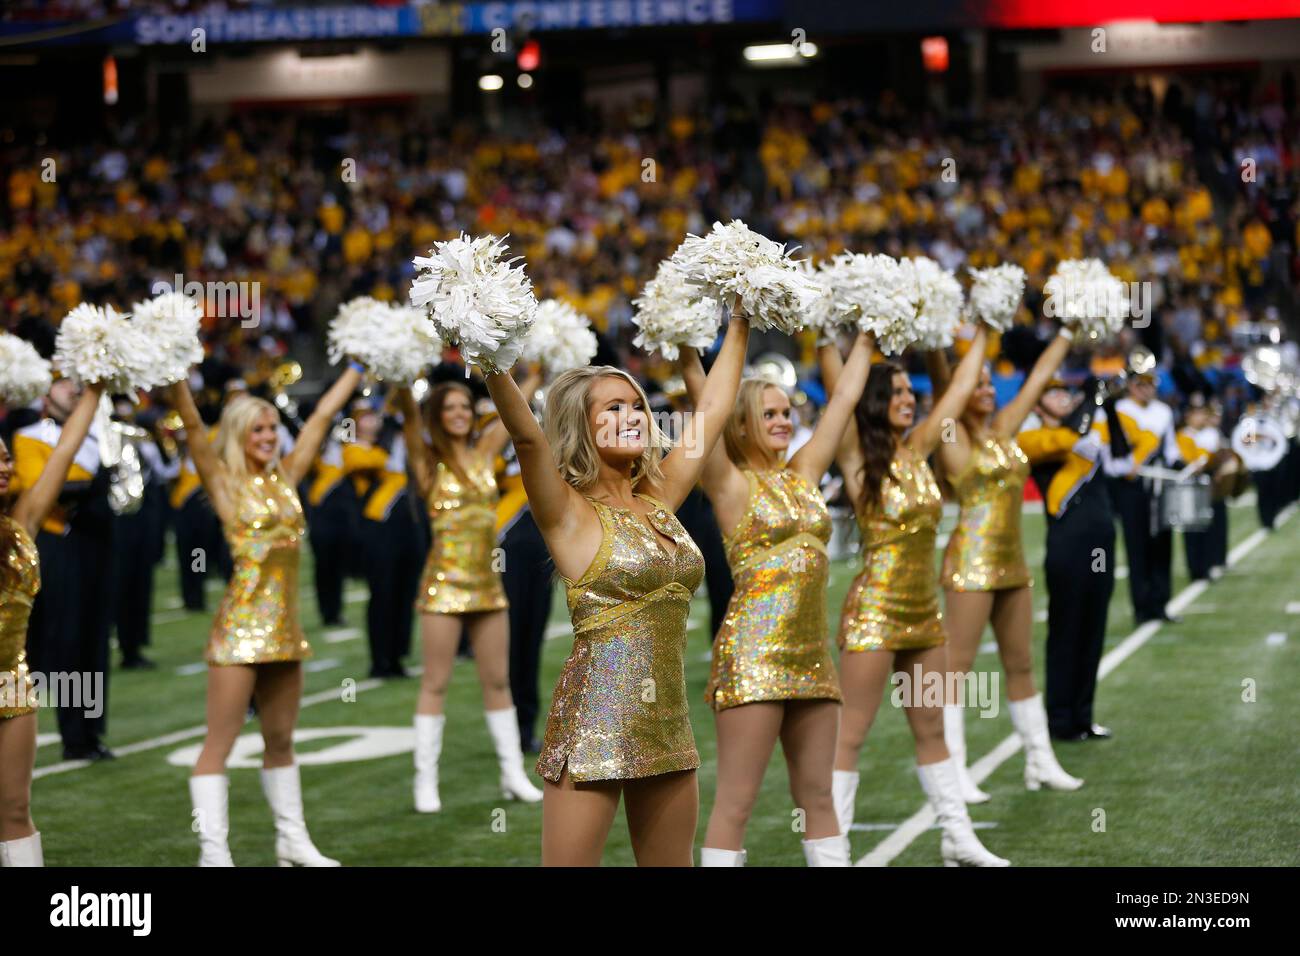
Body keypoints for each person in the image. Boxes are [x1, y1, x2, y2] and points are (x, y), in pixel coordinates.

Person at [483, 308, 749, 866]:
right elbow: (529, 441)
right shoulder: (569, 515)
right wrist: (487, 356)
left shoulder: (660, 499)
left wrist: (741, 318)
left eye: (637, 407)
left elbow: (715, 409)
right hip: (594, 724)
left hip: (668, 720)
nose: (633, 416)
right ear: (582, 426)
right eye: (613, 409)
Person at [684, 330, 875, 867]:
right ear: (742, 423)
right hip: (753, 657)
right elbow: (706, 407)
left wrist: (866, 335)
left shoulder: (805, 474)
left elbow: (844, 401)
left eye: (787, 412)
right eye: (769, 414)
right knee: (737, 802)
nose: (784, 421)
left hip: (812, 654)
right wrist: (684, 350)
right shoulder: (730, 484)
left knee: (819, 796)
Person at [171, 361, 363, 867]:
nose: (267, 436)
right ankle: (213, 853)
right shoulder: (226, 484)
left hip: (284, 630)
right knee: (220, 743)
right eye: (256, 429)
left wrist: (359, 363)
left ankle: (291, 842)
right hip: (238, 631)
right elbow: (192, 428)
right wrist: (172, 372)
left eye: (272, 428)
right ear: (237, 434)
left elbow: (322, 417)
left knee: (280, 740)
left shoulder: (286, 477)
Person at [832, 324, 1009, 867]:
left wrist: (986, 325)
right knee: (850, 734)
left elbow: (954, 393)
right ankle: (832, 850)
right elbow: (840, 393)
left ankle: (957, 836)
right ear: (876, 401)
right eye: (899, 393)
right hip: (874, 612)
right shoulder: (856, 456)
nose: (910, 400)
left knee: (931, 729)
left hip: (924, 613)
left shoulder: (921, 449)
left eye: (913, 393)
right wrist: (836, 336)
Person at [926, 329, 1083, 802]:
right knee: (955, 670)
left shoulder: (1004, 429)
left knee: (1021, 664)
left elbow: (1036, 379)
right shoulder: (950, 435)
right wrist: (935, 335)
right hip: (971, 564)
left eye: (991, 382)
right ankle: (953, 769)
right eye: (979, 383)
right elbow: (941, 384)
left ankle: (1040, 758)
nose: (990, 389)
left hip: (1012, 564)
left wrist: (1069, 329)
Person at [397, 379, 542, 813]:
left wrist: (533, 363)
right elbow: (407, 415)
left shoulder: (484, 453)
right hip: (443, 586)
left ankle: (512, 773)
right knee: (435, 682)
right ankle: (426, 781)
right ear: (437, 416)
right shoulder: (427, 462)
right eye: (450, 408)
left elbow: (512, 405)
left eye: (465, 406)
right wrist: (401, 373)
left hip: (486, 584)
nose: (460, 413)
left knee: (498, 681)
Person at [0, 379, 102, 866]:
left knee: (17, 809)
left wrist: (96, 391)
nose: (4, 466)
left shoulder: (22, 524)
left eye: (5, 458)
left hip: (12, 687)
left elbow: (63, 453)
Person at [1019, 376, 1134, 741]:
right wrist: (1088, 398)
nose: (1063, 397)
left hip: (1101, 542)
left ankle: (1084, 716)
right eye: (1053, 392)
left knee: (1093, 626)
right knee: (1067, 629)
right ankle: (1060, 719)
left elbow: (1121, 451)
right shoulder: (1034, 437)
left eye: (1066, 391)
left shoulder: (1088, 427)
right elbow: (1067, 438)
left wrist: (1110, 403)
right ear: (1037, 406)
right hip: (1068, 544)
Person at [13, 377, 117, 761]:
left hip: (96, 544)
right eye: (62, 384)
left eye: (77, 383)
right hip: (58, 544)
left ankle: (91, 731)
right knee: (67, 641)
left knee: (94, 640)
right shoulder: (29, 435)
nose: (72, 390)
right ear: (44, 392)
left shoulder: (100, 434)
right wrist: (91, 485)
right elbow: (42, 486)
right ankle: (73, 735)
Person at [1112, 369, 1181, 623]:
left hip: (1160, 481)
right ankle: (1141, 607)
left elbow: (1171, 449)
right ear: (1131, 385)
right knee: (1136, 544)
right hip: (1132, 484)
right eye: (1141, 383)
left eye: (1151, 383)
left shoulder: (1163, 411)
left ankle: (1161, 603)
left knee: (1163, 542)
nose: (1147, 389)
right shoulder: (1119, 410)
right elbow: (1113, 451)